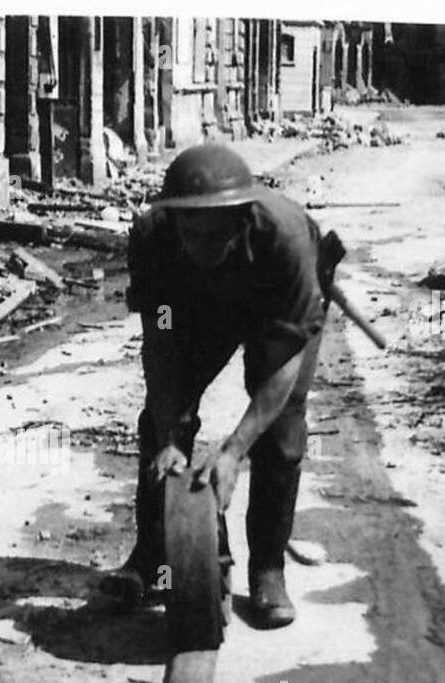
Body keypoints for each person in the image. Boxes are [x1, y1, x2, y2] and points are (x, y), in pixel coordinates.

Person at [102, 144, 326, 628]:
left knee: (281, 431)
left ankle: (267, 569)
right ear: (173, 219)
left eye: (216, 234)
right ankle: (152, 557)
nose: (201, 246)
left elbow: (284, 362)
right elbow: (159, 336)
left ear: (243, 218)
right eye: (191, 232)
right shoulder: (151, 235)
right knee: (161, 422)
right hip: (194, 311)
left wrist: (233, 450)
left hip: (274, 313)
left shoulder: (285, 238)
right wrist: (170, 437)